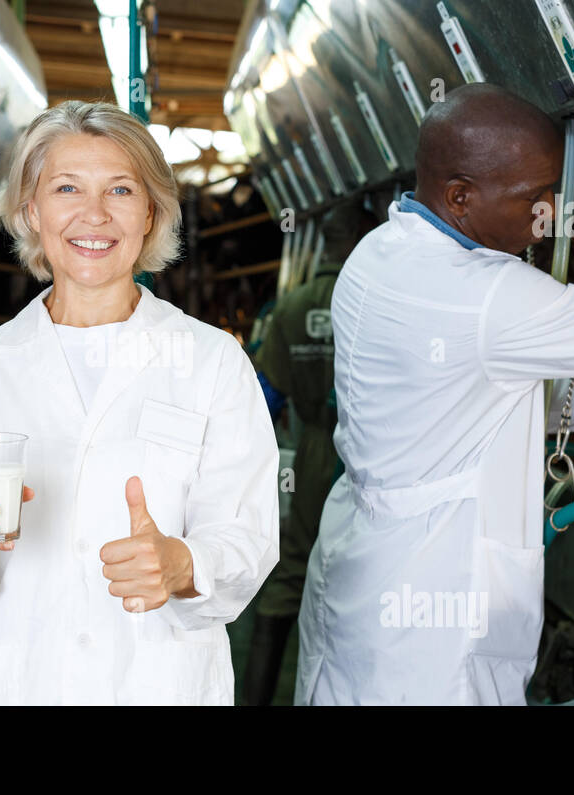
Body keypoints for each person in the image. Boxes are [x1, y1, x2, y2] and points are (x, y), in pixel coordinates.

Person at [295, 84, 574, 706]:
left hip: (367, 575)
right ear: (459, 197)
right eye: (533, 199)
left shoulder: (381, 253)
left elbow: (494, 396)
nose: (550, 216)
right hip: (433, 611)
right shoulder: (484, 293)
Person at [0, 101, 279, 705]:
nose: (93, 214)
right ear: (31, 211)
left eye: (120, 189)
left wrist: (182, 564)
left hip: (158, 685)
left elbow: (248, 544)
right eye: (67, 187)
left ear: (150, 212)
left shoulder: (210, 361)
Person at [243, 200, 376, 705]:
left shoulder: (292, 307)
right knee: (363, 578)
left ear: (322, 243)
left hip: (313, 452)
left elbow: (265, 400)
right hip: (370, 456)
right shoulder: (376, 299)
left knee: (291, 571)